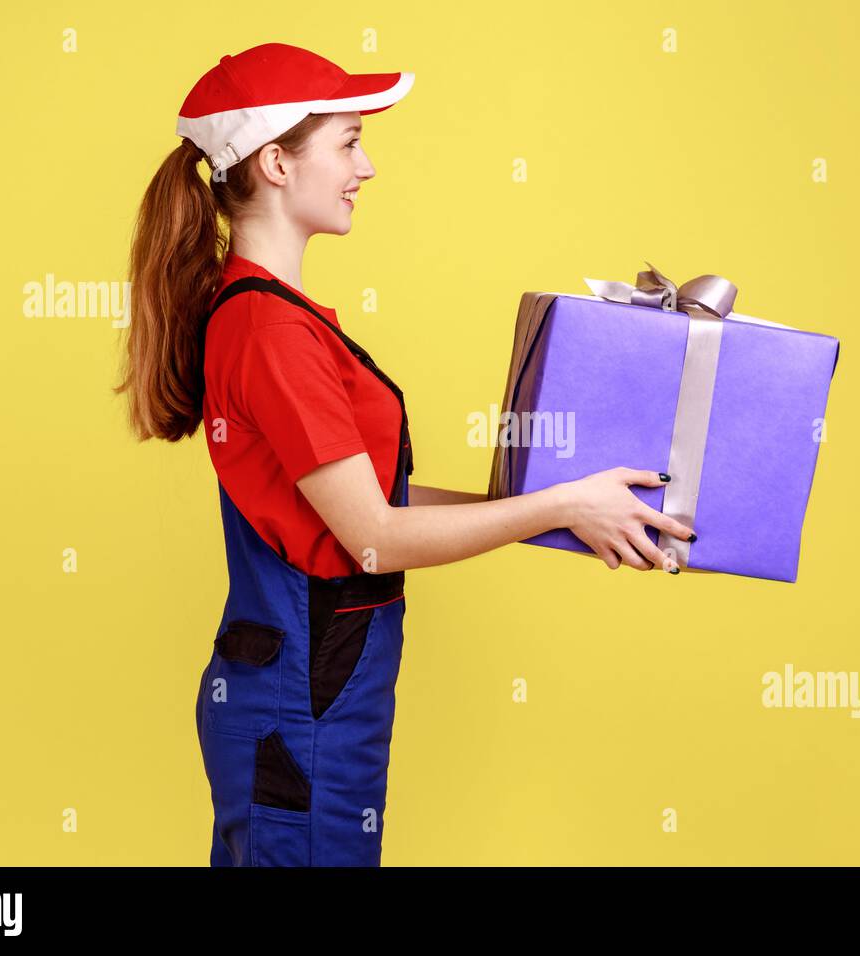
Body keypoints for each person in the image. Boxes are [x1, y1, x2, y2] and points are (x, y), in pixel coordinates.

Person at [114, 42, 696, 867]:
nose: (369, 166)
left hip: (309, 693)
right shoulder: (269, 331)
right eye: (349, 142)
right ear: (277, 163)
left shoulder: (270, 316)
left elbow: (378, 504)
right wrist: (564, 507)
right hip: (302, 701)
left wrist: (571, 508)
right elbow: (373, 538)